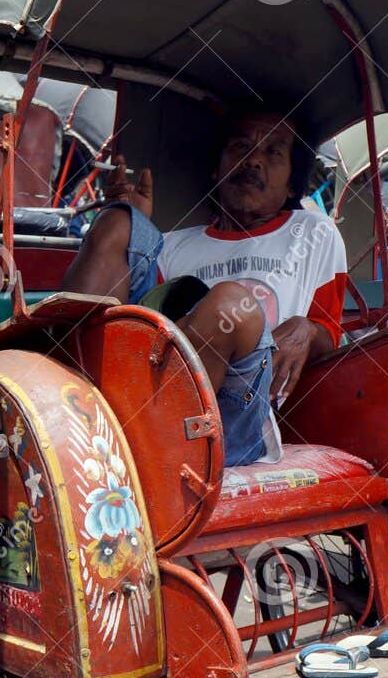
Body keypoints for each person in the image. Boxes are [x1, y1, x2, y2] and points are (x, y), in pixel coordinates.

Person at [63, 109, 347, 466]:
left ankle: (147, 446)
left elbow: (331, 336)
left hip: (238, 415)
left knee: (232, 305)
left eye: (273, 152)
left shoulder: (312, 232)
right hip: (155, 374)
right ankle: (71, 409)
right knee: (117, 222)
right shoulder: (174, 245)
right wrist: (132, 221)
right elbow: (144, 324)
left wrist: (308, 329)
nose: (254, 160)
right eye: (242, 146)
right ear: (217, 167)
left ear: (292, 183)